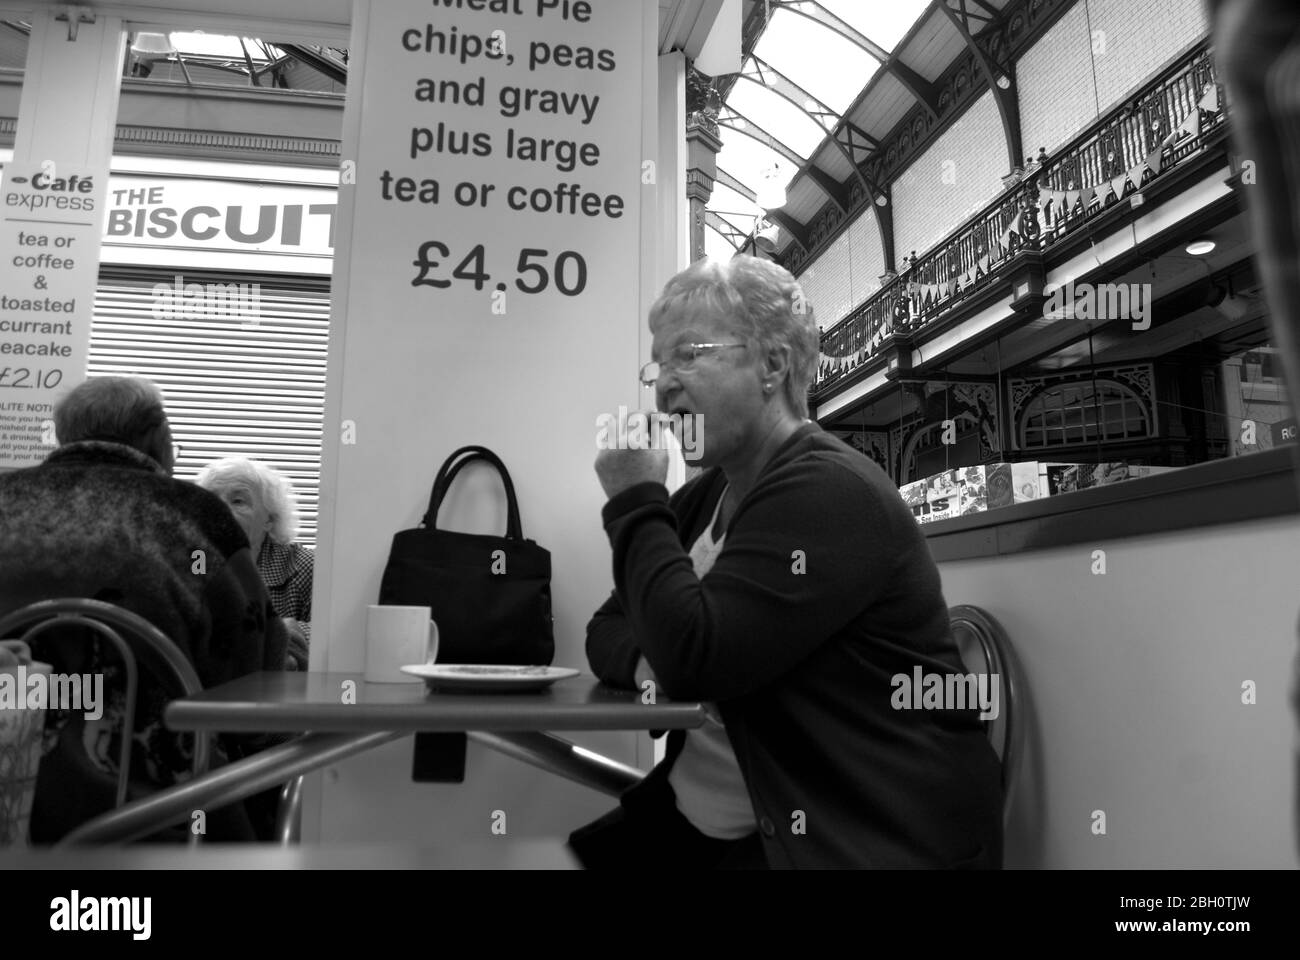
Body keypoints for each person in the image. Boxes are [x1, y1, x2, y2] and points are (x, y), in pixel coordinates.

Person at [569, 256, 1003, 869]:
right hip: (705, 818)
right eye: (659, 363)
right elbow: (607, 626)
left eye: (689, 355)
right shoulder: (704, 498)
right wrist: (651, 664)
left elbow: (694, 659)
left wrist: (638, 500)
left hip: (846, 836)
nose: (664, 383)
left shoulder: (828, 490)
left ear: (772, 364)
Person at [0, 376, 289, 841]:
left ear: (63, 437)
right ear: (161, 439)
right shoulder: (195, 517)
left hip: (12, 785)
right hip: (158, 802)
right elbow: (252, 677)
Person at [196, 457, 313, 671]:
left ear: (269, 519)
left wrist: (287, 634)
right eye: (212, 500)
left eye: (238, 501)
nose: (221, 510)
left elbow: (330, 635)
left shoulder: (302, 565)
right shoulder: (196, 559)